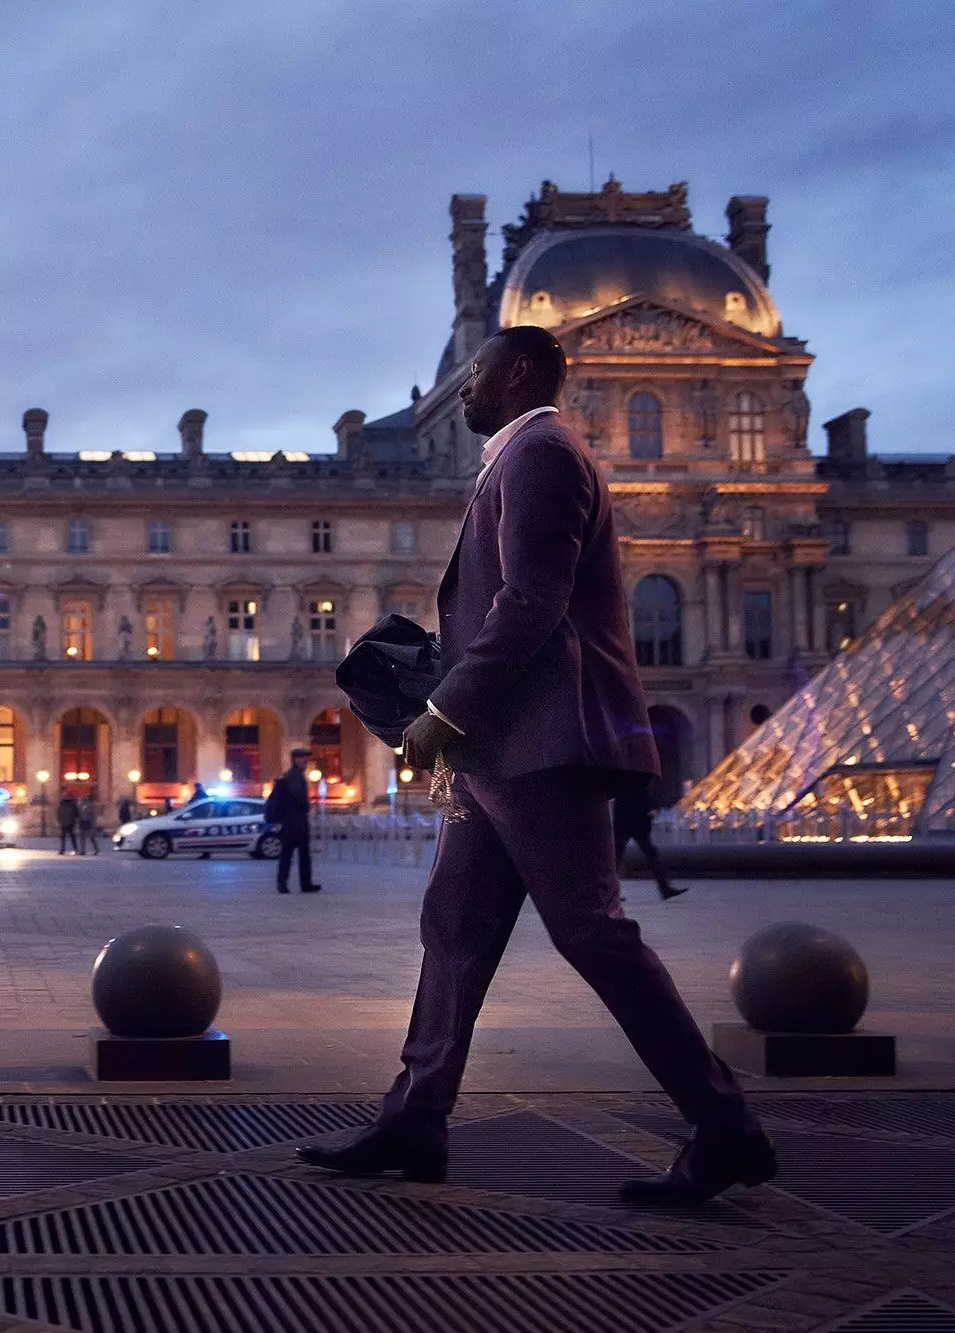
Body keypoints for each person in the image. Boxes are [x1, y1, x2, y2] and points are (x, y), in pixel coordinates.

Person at [296, 326, 773, 1205]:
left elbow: (532, 601)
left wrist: (445, 710)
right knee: (454, 924)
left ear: (517, 374)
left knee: (593, 931)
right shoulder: (523, 457)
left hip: (539, 746)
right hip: (504, 749)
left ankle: (725, 1126)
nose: (464, 391)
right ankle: (417, 1112)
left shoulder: (543, 453)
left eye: (475, 375)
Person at [265, 746, 321, 894]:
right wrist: (306, 806)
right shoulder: (295, 776)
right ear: (295, 759)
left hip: (290, 821)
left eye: (307, 757)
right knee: (297, 854)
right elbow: (298, 797)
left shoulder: (290, 775)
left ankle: (286, 883)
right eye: (303, 757)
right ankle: (302, 884)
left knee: (290, 854)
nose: (306, 760)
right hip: (295, 821)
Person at [615, 782, 684, 901]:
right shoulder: (633, 778)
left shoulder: (628, 777)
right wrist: (649, 810)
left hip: (628, 823)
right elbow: (637, 797)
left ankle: (665, 888)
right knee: (650, 855)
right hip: (632, 823)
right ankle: (664, 888)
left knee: (618, 859)